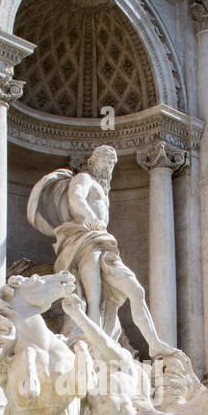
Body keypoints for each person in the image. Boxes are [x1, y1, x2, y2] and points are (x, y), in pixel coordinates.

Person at [27, 145, 173, 358]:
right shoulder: (84, 178)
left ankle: (154, 343)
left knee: (136, 290)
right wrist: (89, 216)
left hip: (103, 244)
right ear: (94, 162)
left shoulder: (103, 190)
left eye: (112, 163)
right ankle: (92, 348)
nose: (109, 166)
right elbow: (75, 198)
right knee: (93, 298)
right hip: (85, 241)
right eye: (106, 160)